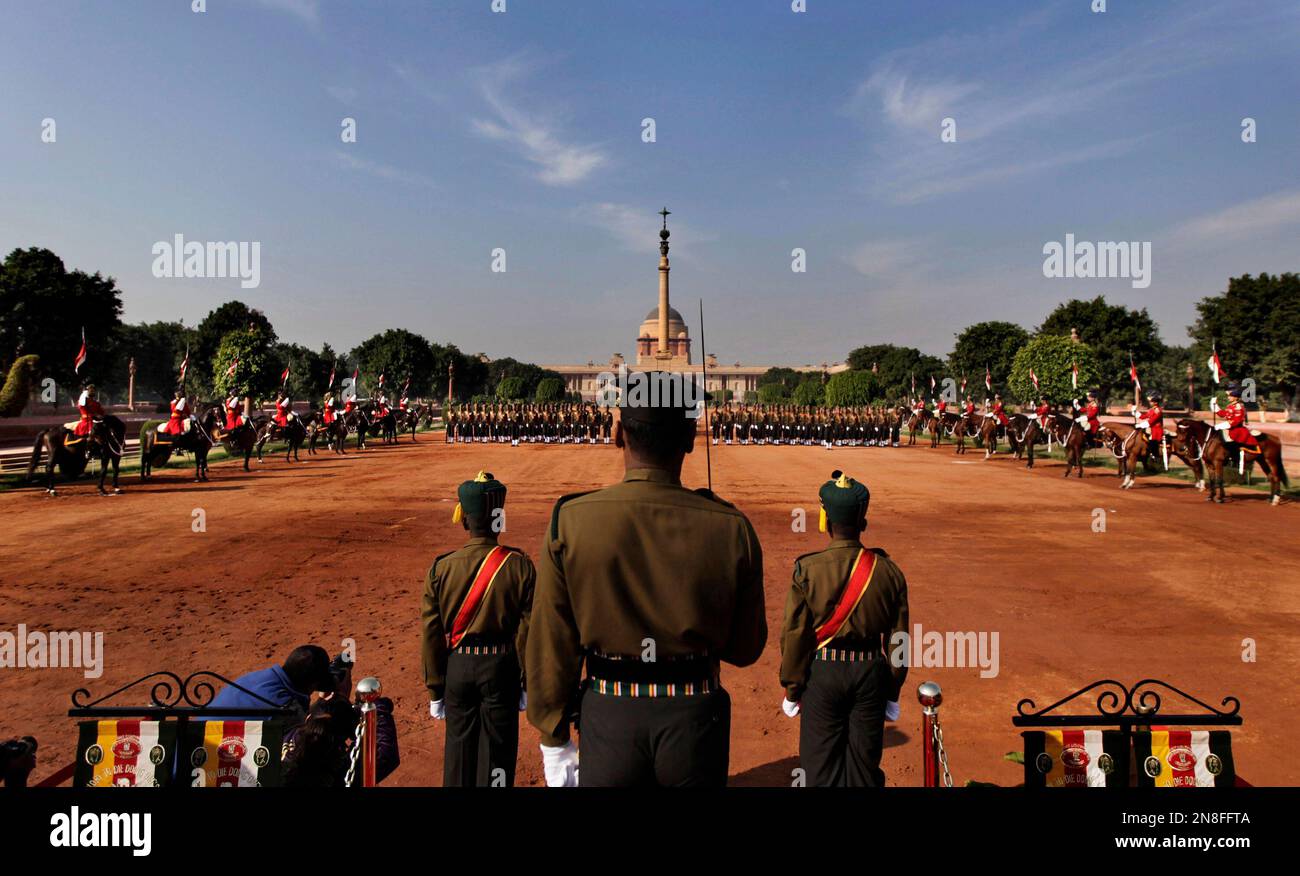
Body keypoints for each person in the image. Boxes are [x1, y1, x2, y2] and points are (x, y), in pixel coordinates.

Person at [526, 373, 767, 787]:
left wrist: (554, 736)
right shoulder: (731, 528)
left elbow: (553, 641)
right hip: (695, 714)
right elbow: (746, 648)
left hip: (609, 710)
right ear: (692, 437)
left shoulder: (572, 520)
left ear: (618, 432)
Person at [778, 471, 909, 786]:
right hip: (870, 673)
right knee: (864, 768)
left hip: (823, 673)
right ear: (863, 520)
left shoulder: (807, 569)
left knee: (820, 769)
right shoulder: (889, 571)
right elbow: (898, 639)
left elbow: (795, 635)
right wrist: (892, 690)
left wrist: (793, 687)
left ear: (826, 519)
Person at [422, 472, 536, 788]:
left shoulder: (441, 567)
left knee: (458, 754)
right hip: (501, 667)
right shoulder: (519, 565)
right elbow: (527, 630)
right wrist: (525, 680)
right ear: (499, 518)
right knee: (497, 755)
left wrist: (435, 687)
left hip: (458, 666)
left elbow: (432, 631)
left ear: (464, 521)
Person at [281, 683, 400, 787]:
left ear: (307, 719)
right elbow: (385, 754)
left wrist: (322, 702)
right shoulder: (340, 774)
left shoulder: (284, 737)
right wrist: (376, 708)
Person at [209, 645, 337, 720]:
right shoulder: (284, 705)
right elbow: (310, 736)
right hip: (221, 760)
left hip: (200, 743)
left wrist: (321, 701)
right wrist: (340, 697)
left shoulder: (259, 677)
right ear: (312, 683)